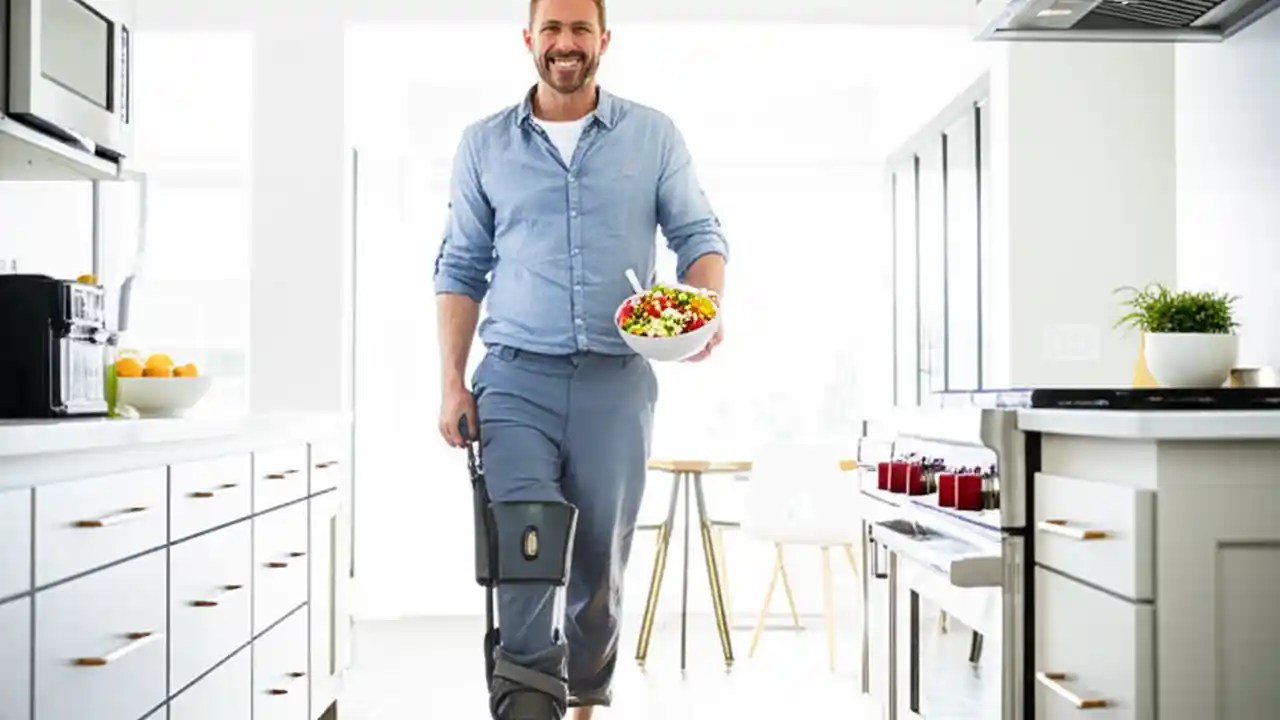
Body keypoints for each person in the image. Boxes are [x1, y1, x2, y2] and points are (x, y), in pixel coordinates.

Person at [432, 0, 728, 716]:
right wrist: (450, 383)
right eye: (554, 30)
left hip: (615, 384)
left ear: (604, 41)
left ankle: (587, 704)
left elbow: (699, 234)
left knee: (599, 566)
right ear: (530, 39)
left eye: (580, 30)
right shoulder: (484, 144)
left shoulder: (651, 136)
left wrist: (701, 312)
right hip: (513, 380)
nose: (567, 44)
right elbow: (460, 266)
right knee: (526, 556)